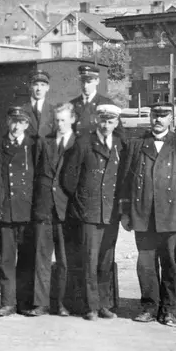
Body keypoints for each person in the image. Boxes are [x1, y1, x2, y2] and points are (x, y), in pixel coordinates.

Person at [120, 102, 176, 326]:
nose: (158, 120)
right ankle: (149, 306)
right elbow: (126, 181)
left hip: (170, 215)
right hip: (144, 214)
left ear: (171, 119)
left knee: (169, 263)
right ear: (150, 118)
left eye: (163, 116)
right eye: (155, 115)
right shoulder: (136, 144)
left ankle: (169, 309)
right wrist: (126, 213)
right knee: (146, 264)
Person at [72, 103, 125, 319]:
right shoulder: (84, 143)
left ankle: (105, 303)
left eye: (111, 121)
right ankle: (91, 306)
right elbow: (70, 177)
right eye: (103, 120)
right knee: (89, 260)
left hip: (110, 212)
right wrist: (81, 204)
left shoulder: (121, 145)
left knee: (106, 259)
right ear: (97, 120)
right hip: (89, 211)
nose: (106, 125)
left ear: (116, 123)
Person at [29, 102, 81, 316]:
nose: (60, 124)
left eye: (63, 120)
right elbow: (35, 172)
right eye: (57, 120)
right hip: (44, 207)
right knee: (41, 257)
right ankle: (40, 303)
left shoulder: (79, 143)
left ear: (73, 120)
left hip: (66, 209)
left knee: (64, 260)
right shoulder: (44, 142)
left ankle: (61, 303)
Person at [0, 106, 39, 316]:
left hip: (27, 212)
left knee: (27, 260)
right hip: (6, 212)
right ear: (7, 122)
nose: (16, 125)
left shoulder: (34, 146)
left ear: (27, 125)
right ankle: (8, 302)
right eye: (13, 121)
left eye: (21, 122)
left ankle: (25, 302)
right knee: (7, 260)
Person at [70, 63, 115, 136]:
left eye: (89, 82)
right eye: (83, 82)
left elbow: (118, 135)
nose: (85, 86)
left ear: (97, 81)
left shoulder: (106, 103)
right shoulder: (72, 105)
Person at [25, 70, 56, 139]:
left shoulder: (54, 110)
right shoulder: (23, 110)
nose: (39, 89)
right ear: (30, 86)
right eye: (36, 85)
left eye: (42, 85)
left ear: (47, 88)